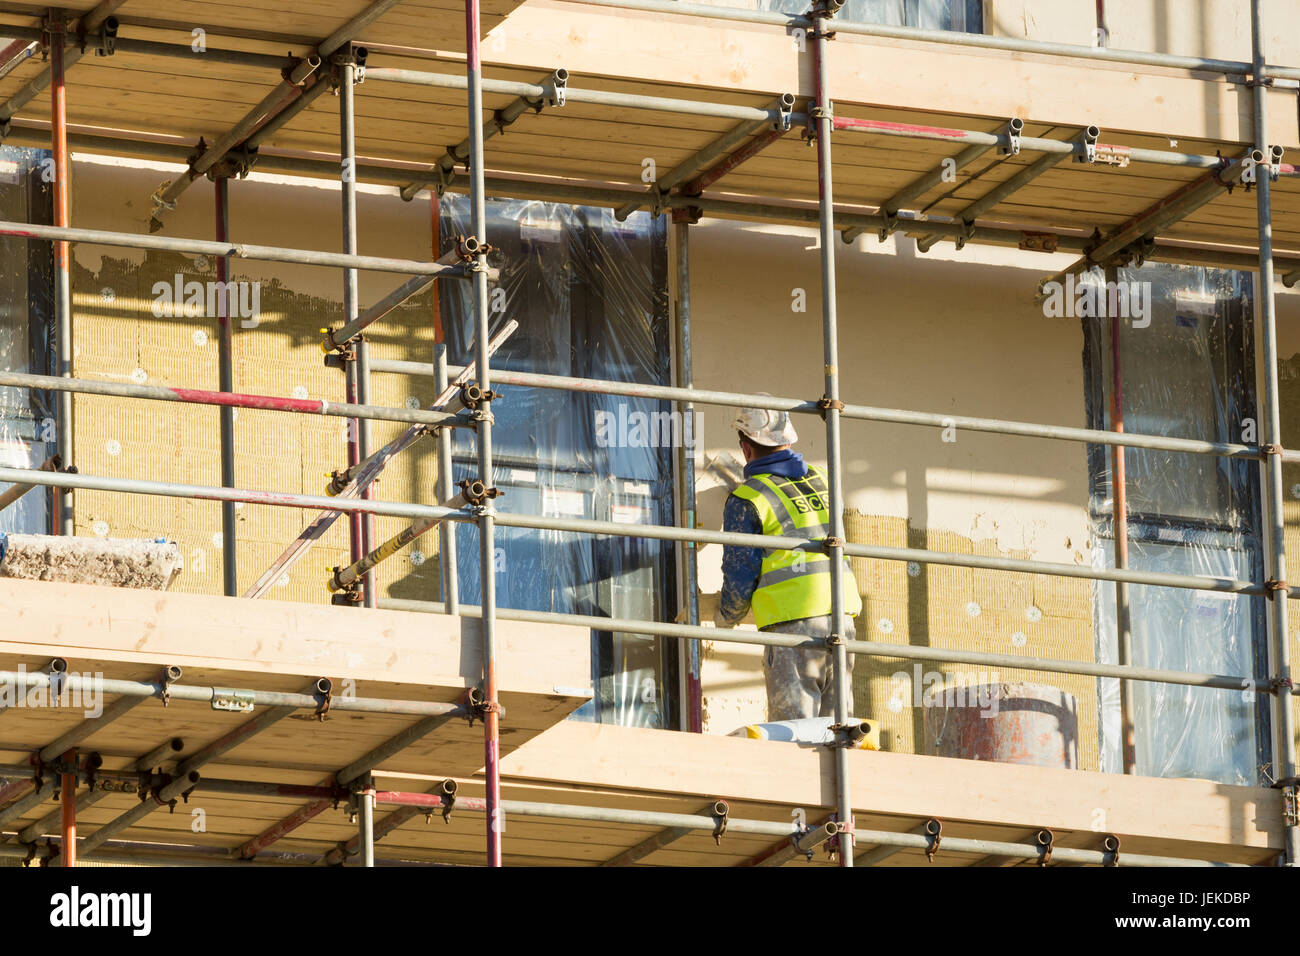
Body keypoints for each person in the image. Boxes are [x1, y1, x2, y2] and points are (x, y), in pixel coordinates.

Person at [708, 404, 863, 721]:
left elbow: (740, 575)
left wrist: (726, 616)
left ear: (746, 448)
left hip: (795, 627)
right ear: (789, 441)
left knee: (796, 731)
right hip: (843, 619)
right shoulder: (825, 480)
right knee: (838, 731)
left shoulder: (747, 499)